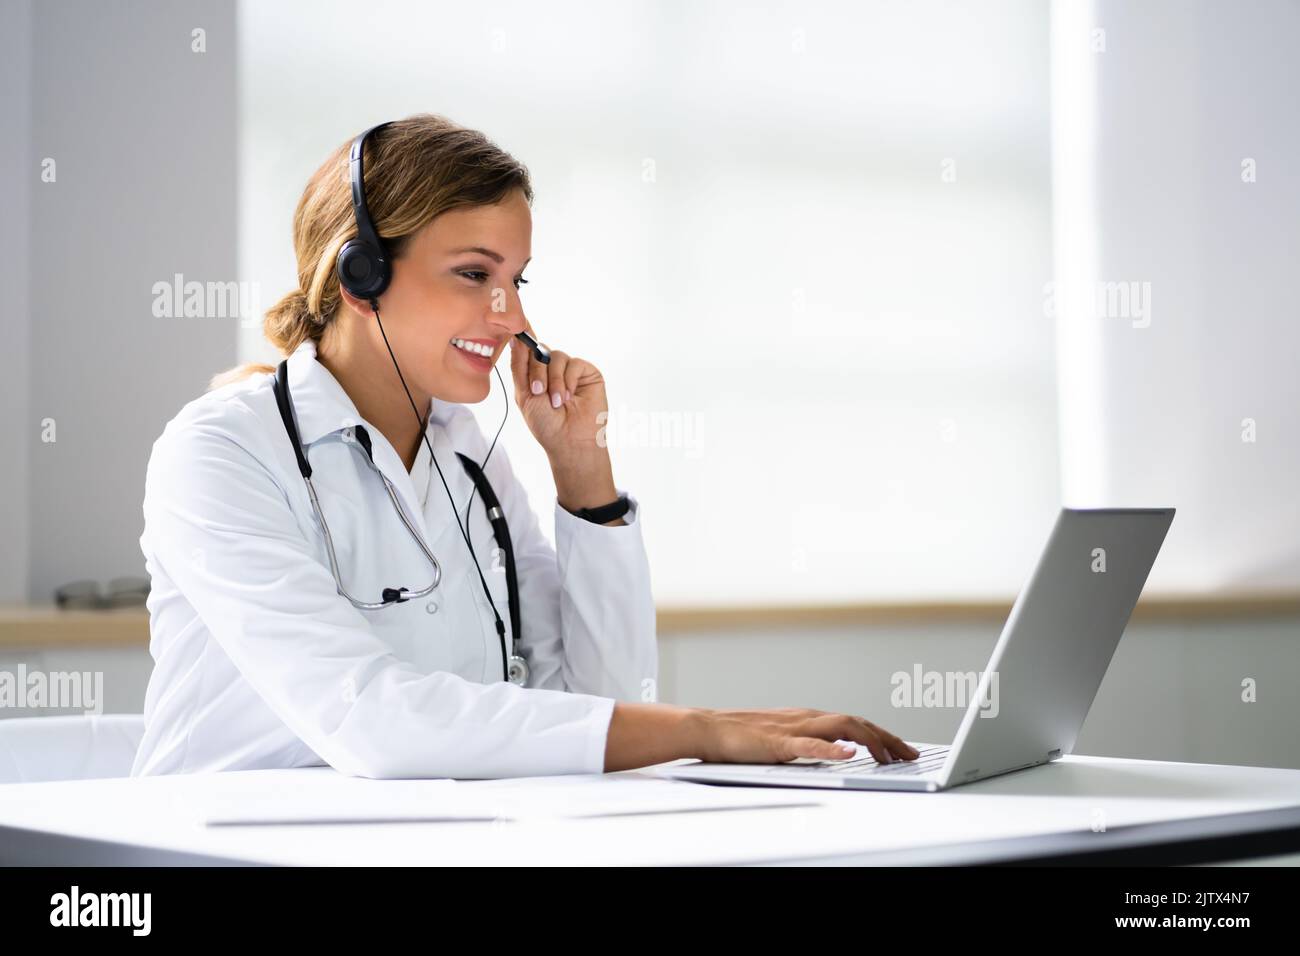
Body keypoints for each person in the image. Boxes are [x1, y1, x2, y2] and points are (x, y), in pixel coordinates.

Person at [131, 113, 918, 778]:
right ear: (360, 276)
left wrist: (583, 476)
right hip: (218, 852)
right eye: (474, 274)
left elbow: (596, 700)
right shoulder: (221, 453)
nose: (509, 317)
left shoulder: (470, 456)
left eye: (518, 280)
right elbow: (372, 721)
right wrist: (699, 730)